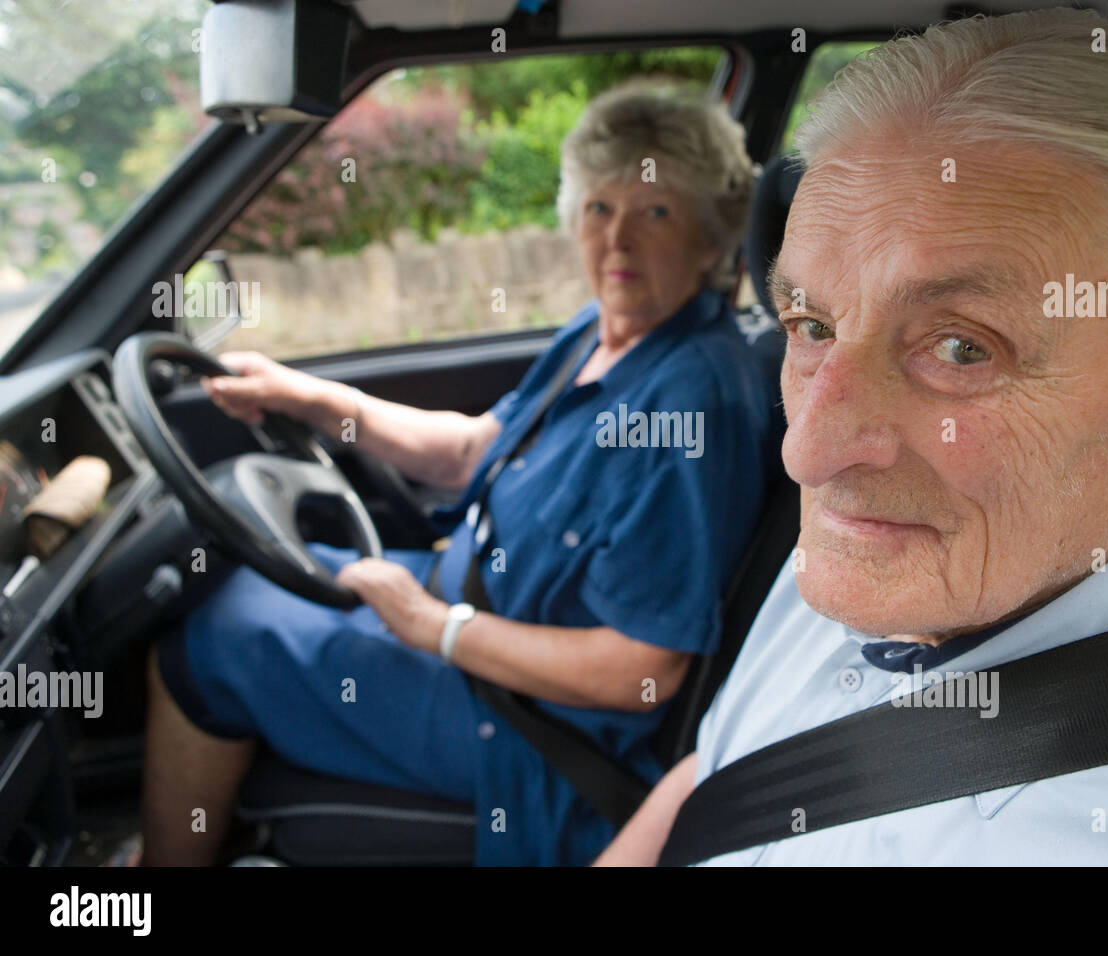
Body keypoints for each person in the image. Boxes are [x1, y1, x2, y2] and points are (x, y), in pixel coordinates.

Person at [595, 8, 1108, 866]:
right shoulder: (883, 541)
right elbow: (716, 773)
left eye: (963, 348)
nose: (808, 453)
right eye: (811, 325)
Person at [140, 82, 781, 866]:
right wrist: (307, 396)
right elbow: (477, 450)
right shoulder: (604, 331)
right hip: (462, 609)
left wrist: (436, 628)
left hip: (528, 718)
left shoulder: (694, 399)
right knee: (234, 580)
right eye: (597, 209)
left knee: (210, 640)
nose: (616, 242)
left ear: (712, 237)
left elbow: (639, 672)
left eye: (654, 213)